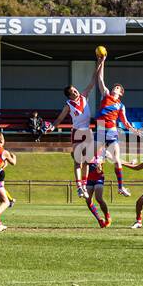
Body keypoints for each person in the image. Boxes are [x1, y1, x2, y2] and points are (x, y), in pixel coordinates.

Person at [51, 58, 104, 197]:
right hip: (77, 132)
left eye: (75, 89)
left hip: (87, 131)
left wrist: (100, 63)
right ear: (69, 95)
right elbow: (60, 118)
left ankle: (84, 186)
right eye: (73, 91)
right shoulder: (68, 104)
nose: (76, 91)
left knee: (88, 160)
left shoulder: (84, 96)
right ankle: (79, 186)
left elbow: (93, 81)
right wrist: (52, 126)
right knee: (78, 161)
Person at [94, 64, 140, 197]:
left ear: (121, 93)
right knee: (95, 159)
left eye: (118, 88)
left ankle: (120, 187)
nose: (116, 87)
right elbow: (100, 79)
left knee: (117, 160)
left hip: (112, 130)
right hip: (101, 127)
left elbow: (125, 121)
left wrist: (133, 130)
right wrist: (102, 62)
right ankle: (98, 167)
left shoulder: (121, 105)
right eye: (115, 86)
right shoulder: (106, 94)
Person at [82, 156, 111, 228]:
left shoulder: (101, 151)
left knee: (99, 198)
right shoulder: (85, 152)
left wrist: (100, 163)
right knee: (88, 201)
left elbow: (112, 158)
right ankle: (99, 219)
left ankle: (107, 216)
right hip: (88, 179)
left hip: (98, 177)